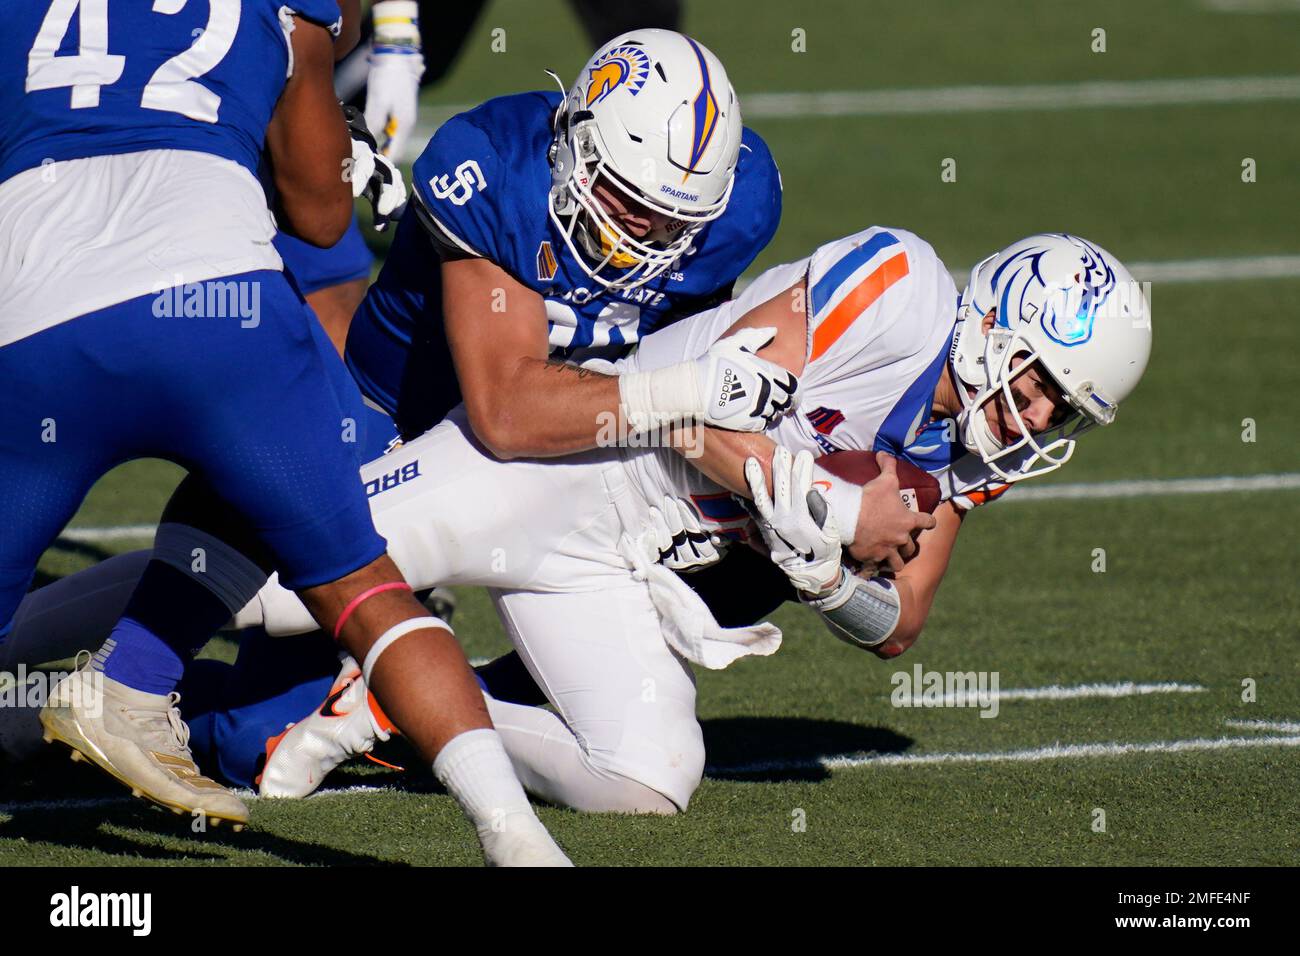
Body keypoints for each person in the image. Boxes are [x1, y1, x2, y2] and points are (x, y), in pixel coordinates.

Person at [6, 230, 1149, 816]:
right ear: (1001, 314)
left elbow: (896, 618)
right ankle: (12, 660)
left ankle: (393, 709)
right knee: (272, 583)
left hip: (629, 565)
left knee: (651, 773)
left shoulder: (961, 448)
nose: (1038, 416)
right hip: (578, 461)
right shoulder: (899, 288)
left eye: (1064, 411)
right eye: (1043, 383)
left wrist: (820, 573)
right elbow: (716, 401)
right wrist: (807, 504)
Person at [0, 0, 569, 865]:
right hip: (221, 314)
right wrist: (339, 142)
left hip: (31, 320)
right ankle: (517, 839)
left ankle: (99, 693)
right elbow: (320, 216)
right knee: (365, 584)